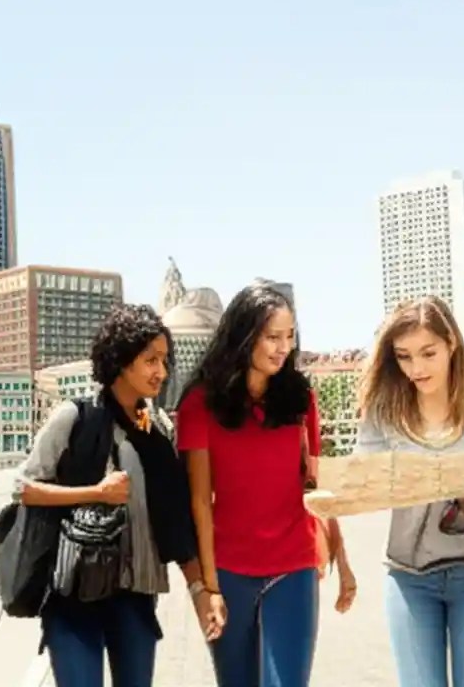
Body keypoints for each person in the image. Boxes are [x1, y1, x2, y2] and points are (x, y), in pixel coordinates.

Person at [13, 304, 210, 687]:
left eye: (164, 361)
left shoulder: (156, 431)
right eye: (150, 360)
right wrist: (95, 493)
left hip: (135, 595)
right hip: (74, 594)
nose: (161, 372)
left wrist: (200, 588)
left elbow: (174, 518)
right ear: (121, 361)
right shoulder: (75, 417)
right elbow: (23, 488)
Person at [176, 281, 355, 687]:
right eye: (272, 337)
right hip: (229, 570)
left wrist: (342, 562)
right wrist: (210, 588)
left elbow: (316, 488)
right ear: (244, 336)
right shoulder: (199, 404)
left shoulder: (300, 399)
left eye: (289, 336)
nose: (283, 347)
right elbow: (200, 502)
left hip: (294, 566)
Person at [355, 295, 464, 687]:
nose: (416, 368)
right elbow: (363, 480)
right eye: (403, 357)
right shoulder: (383, 412)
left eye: (427, 353)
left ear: (451, 342)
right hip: (409, 576)